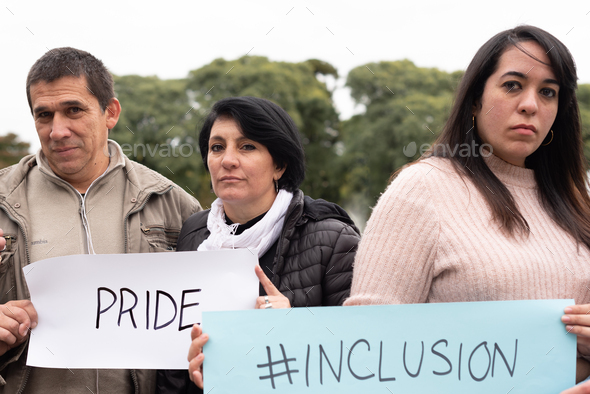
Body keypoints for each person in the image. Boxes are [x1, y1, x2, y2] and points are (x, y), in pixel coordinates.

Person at [344, 25, 590, 383]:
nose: (530, 105)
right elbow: (366, 342)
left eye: (548, 92)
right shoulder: (422, 188)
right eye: (512, 85)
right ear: (475, 99)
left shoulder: (576, 203)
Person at [0, 48, 201, 393]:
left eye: (73, 110)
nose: (57, 130)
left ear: (110, 112)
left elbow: (208, 324)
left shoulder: (174, 203)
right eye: (44, 115)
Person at [156, 96, 360, 392]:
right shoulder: (194, 234)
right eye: (217, 147)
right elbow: (172, 350)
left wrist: (297, 330)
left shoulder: (334, 240)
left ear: (279, 164)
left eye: (247, 146)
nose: (227, 160)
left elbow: (360, 360)